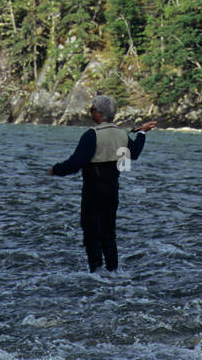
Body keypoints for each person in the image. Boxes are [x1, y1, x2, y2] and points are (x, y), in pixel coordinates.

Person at [48, 95, 155, 274]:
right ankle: (113, 270)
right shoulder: (122, 134)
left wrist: (55, 170)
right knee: (108, 232)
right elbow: (134, 153)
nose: (90, 112)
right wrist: (142, 133)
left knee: (91, 232)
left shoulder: (92, 135)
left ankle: (96, 271)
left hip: (93, 190)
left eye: (92, 109)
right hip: (113, 189)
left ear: (99, 113)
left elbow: (76, 163)